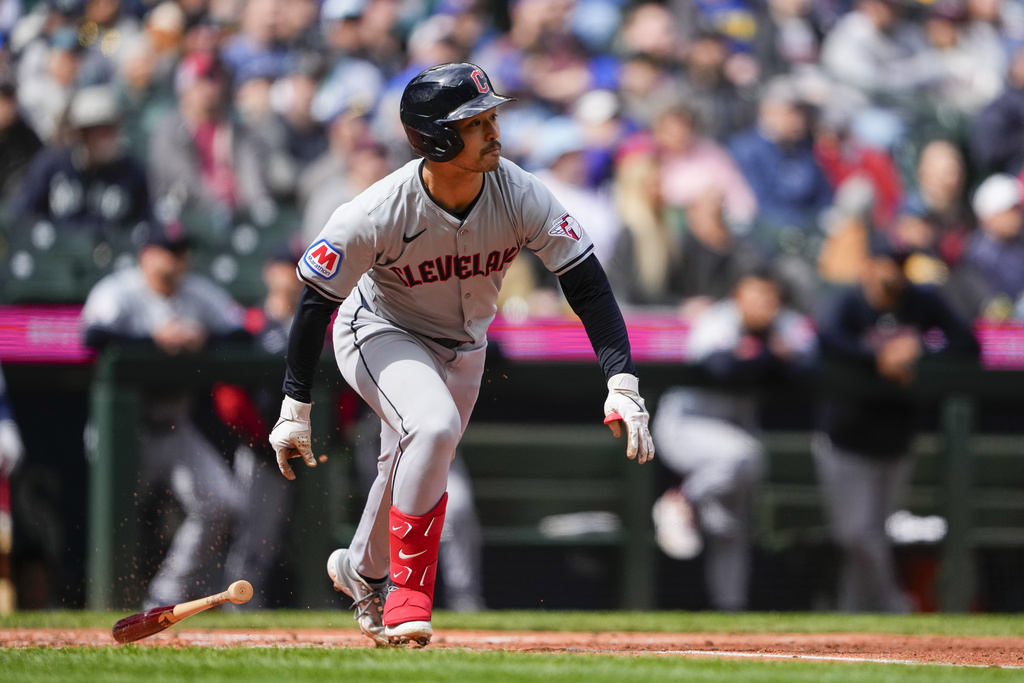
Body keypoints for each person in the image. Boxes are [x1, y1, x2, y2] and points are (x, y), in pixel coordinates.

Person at [268, 63, 654, 647]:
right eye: (477, 122)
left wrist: (620, 377)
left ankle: (361, 571)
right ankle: (408, 595)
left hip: (466, 345)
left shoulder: (519, 190)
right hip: (379, 328)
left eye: (493, 117)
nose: (494, 131)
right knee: (432, 427)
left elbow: (587, 283)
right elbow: (315, 302)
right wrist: (294, 406)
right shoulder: (376, 210)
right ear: (437, 137)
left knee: (411, 455)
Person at [80, 225, 251, 608]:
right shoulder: (118, 290)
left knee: (222, 503)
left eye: (182, 249)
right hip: (123, 430)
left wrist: (204, 339)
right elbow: (92, 337)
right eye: (168, 249)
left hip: (176, 427)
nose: (177, 259)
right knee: (116, 517)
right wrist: (153, 341)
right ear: (145, 254)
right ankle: (102, 601)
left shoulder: (198, 293)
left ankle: (164, 598)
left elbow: (244, 335)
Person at [814, 233, 979, 612]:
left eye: (899, 266)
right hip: (845, 438)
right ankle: (894, 602)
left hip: (897, 437)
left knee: (873, 537)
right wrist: (879, 358)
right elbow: (826, 339)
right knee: (856, 535)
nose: (893, 273)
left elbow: (968, 344)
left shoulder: (921, 301)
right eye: (885, 264)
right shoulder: (847, 301)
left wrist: (922, 351)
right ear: (867, 267)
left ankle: (849, 616)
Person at [651, 268, 817, 611]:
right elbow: (721, 368)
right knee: (747, 456)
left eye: (770, 298)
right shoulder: (718, 320)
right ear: (737, 297)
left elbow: (808, 368)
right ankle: (682, 499)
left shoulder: (786, 324)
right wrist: (771, 356)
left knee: (732, 528)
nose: (763, 305)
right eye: (755, 296)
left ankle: (730, 610)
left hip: (732, 432)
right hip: (688, 427)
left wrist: (761, 356)